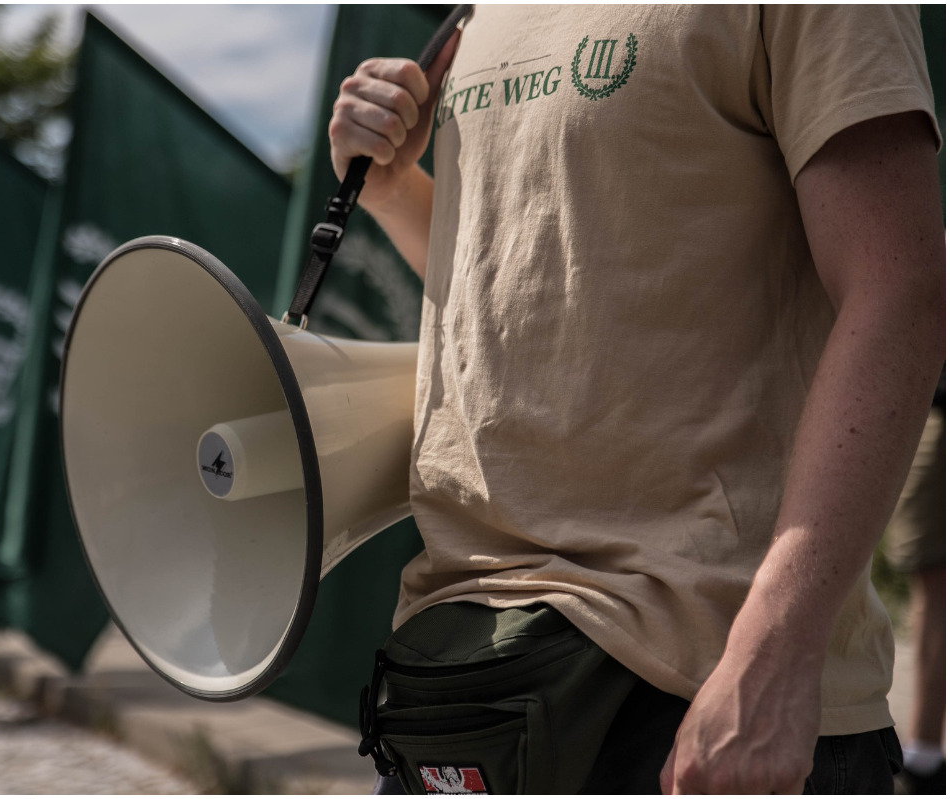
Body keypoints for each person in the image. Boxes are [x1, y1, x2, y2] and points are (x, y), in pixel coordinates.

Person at [328, 5, 944, 794]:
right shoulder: (477, 11)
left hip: (699, 706)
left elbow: (900, 291)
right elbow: (517, 291)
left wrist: (776, 653)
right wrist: (386, 189)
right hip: (463, 674)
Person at [887, 374, 946, 795]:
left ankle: (925, 756)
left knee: (935, 581)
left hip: (938, 408)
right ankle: (924, 755)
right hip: (927, 402)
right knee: (931, 581)